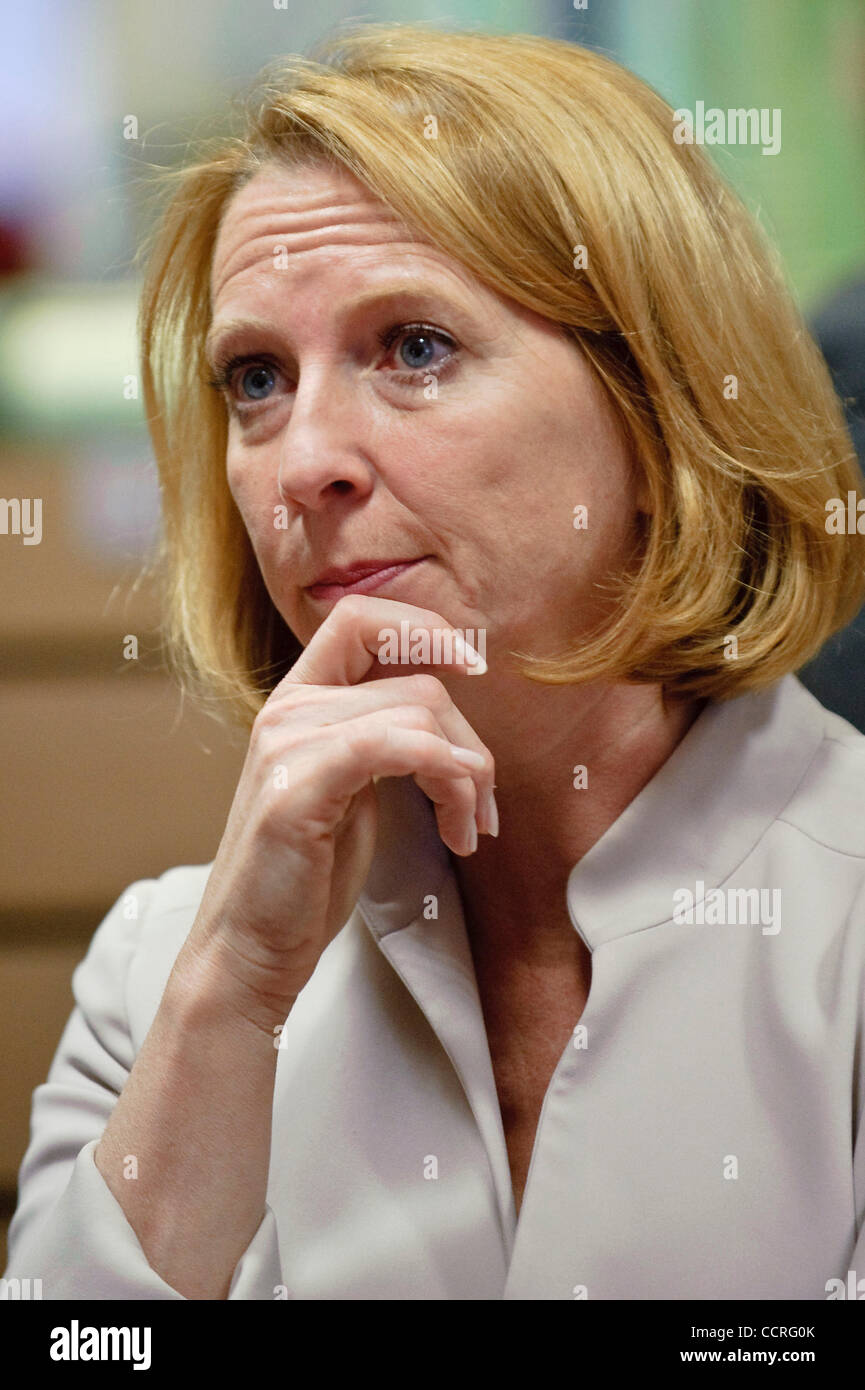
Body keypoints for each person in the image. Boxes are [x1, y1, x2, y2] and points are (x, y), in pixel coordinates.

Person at [5, 21, 865, 1301]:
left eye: (414, 347)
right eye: (255, 379)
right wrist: (231, 1003)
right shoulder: (168, 968)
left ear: (663, 416)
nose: (301, 463)